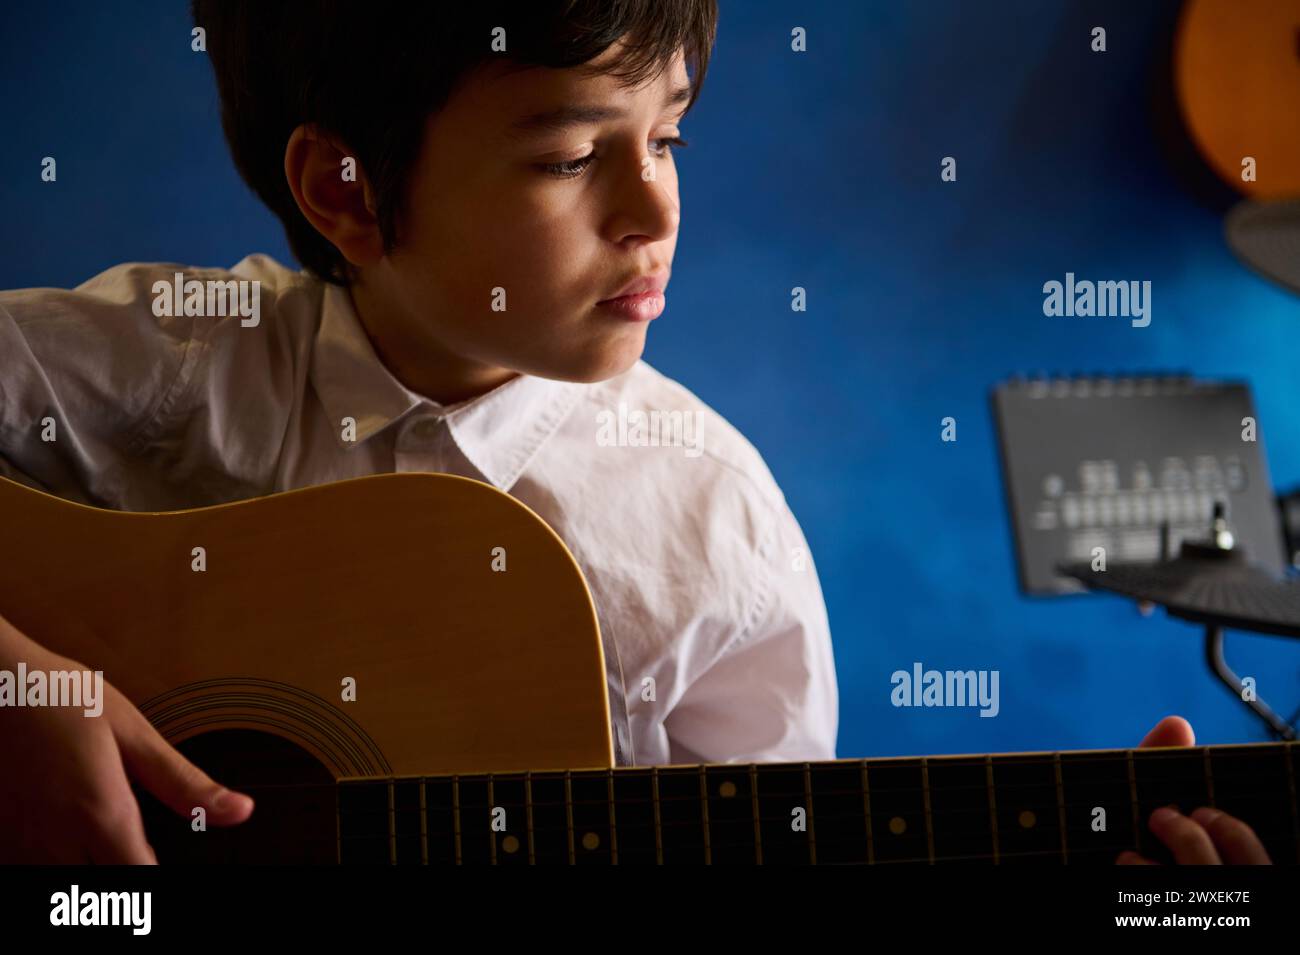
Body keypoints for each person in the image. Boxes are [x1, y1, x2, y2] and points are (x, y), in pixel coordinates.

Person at [0, 2, 1269, 864]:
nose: (651, 204)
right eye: (567, 158)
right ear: (344, 190)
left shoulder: (712, 532)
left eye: (664, 135)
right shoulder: (174, 363)